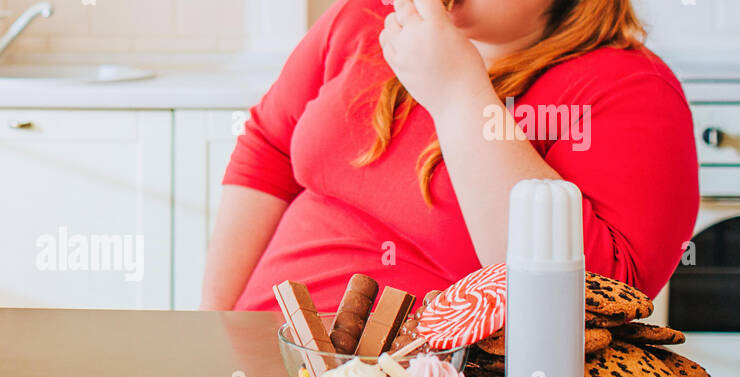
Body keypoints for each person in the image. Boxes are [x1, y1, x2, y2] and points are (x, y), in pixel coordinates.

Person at [201, 0, 698, 312]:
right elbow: (266, 151)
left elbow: (595, 299)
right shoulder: (363, 17)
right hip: (263, 365)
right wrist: (214, 328)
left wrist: (460, 96)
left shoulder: (632, 90)